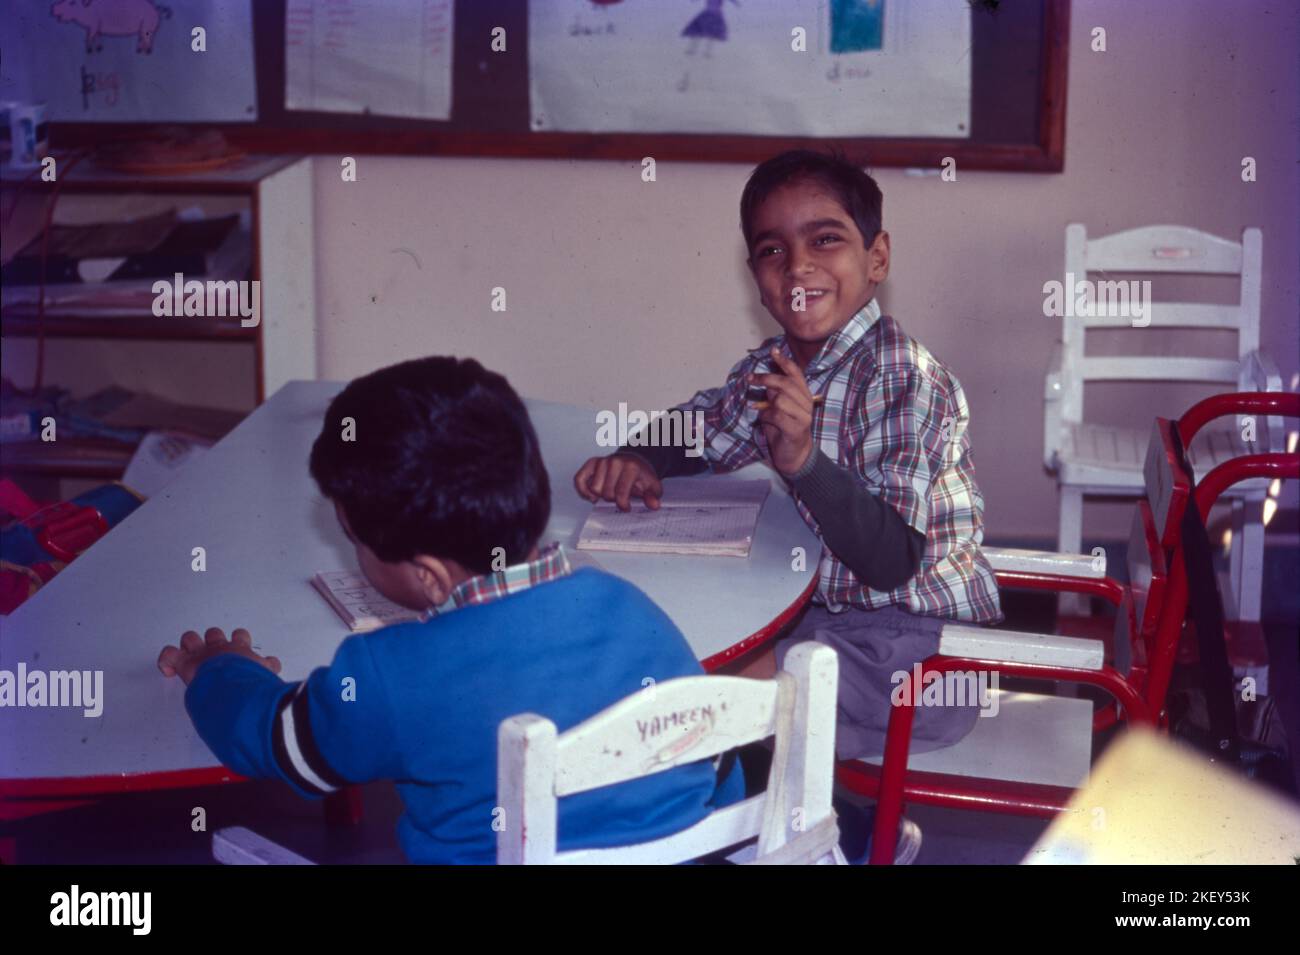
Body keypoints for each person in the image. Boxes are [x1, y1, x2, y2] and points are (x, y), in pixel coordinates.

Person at [574, 149, 1005, 862]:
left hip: (916, 654)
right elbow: (705, 421)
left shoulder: (902, 377)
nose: (798, 265)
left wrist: (804, 461)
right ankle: (837, 831)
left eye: (825, 238)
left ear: (877, 258)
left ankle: (759, 838)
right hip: (837, 621)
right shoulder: (777, 366)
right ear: (758, 280)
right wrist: (640, 456)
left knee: (709, 693)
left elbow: (891, 558)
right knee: (704, 658)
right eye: (773, 249)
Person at [158, 356, 741, 864]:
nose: (354, 553)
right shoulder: (630, 607)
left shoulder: (388, 673)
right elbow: (714, 765)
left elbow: (277, 743)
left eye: (354, 541)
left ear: (429, 575)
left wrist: (218, 668)